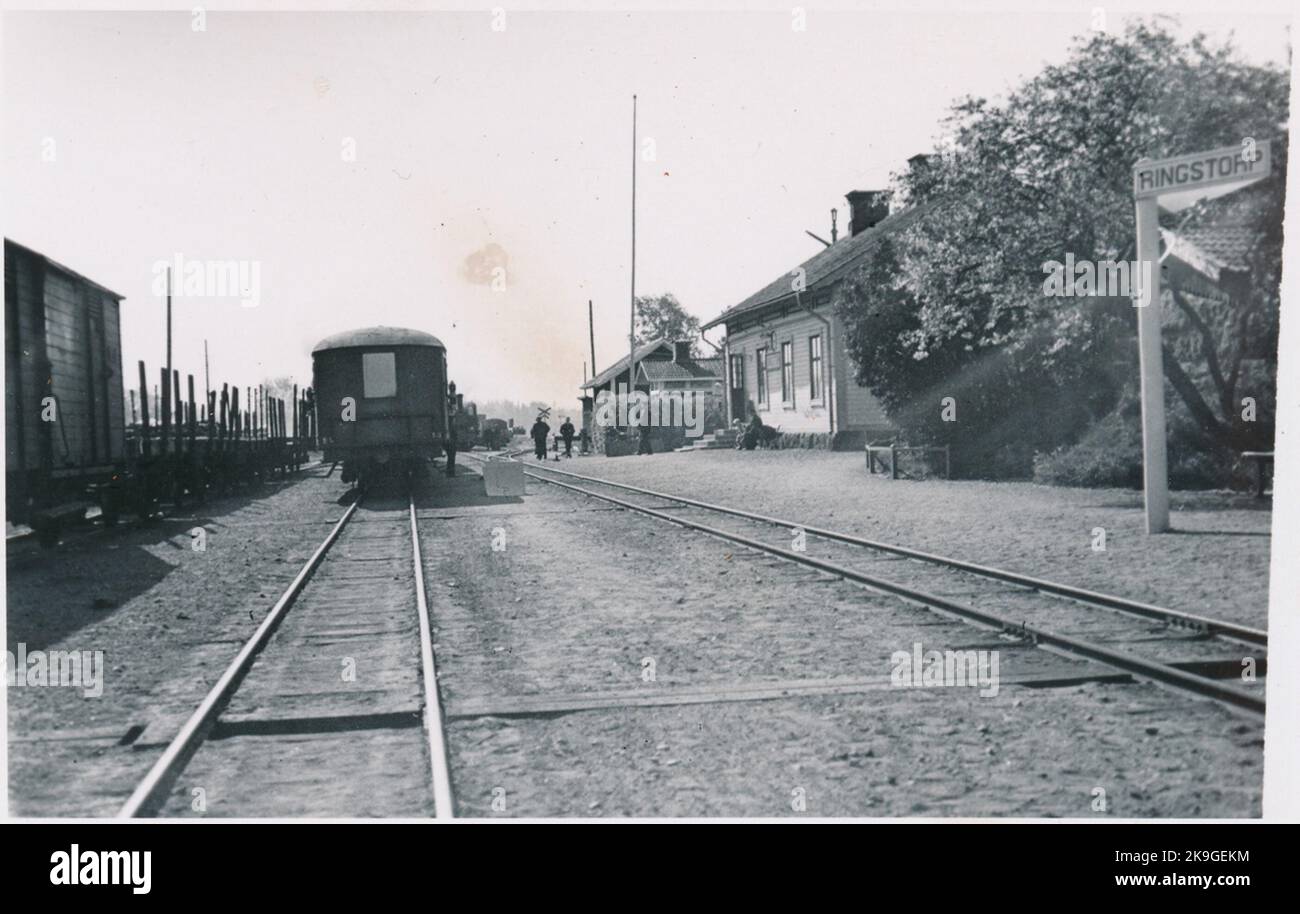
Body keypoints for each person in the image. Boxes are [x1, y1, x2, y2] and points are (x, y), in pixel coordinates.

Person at [444, 382, 459, 476]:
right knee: (452, 454)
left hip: (449, 428)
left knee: (450, 454)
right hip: (451, 429)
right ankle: (450, 472)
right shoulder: (452, 398)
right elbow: (453, 412)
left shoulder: (447, 398)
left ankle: (450, 472)